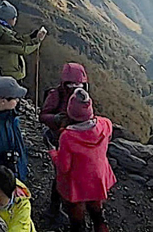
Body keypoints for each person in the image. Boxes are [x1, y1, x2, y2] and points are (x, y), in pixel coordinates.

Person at [50, 89, 116, 232]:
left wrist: (53, 153)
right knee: (96, 208)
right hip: (98, 177)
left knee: (76, 216)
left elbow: (64, 167)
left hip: (77, 182)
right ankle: (100, 226)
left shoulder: (67, 137)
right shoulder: (105, 124)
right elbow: (108, 134)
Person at [40, 62, 90, 215]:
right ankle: (54, 208)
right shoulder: (56, 94)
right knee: (61, 174)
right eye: (71, 83)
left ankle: (70, 203)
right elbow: (43, 115)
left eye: (78, 83)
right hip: (59, 139)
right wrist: (55, 119)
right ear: (64, 82)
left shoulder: (83, 95)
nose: (75, 86)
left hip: (76, 140)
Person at [0, 0, 47, 82]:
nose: (15, 20)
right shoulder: (5, 37)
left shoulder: (1, 31)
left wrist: (31, 36)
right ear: (9, 19)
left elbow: (17, 40)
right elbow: (24, 49)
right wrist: (37, 41)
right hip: (10, 75)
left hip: (4, 72)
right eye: (14, 17)